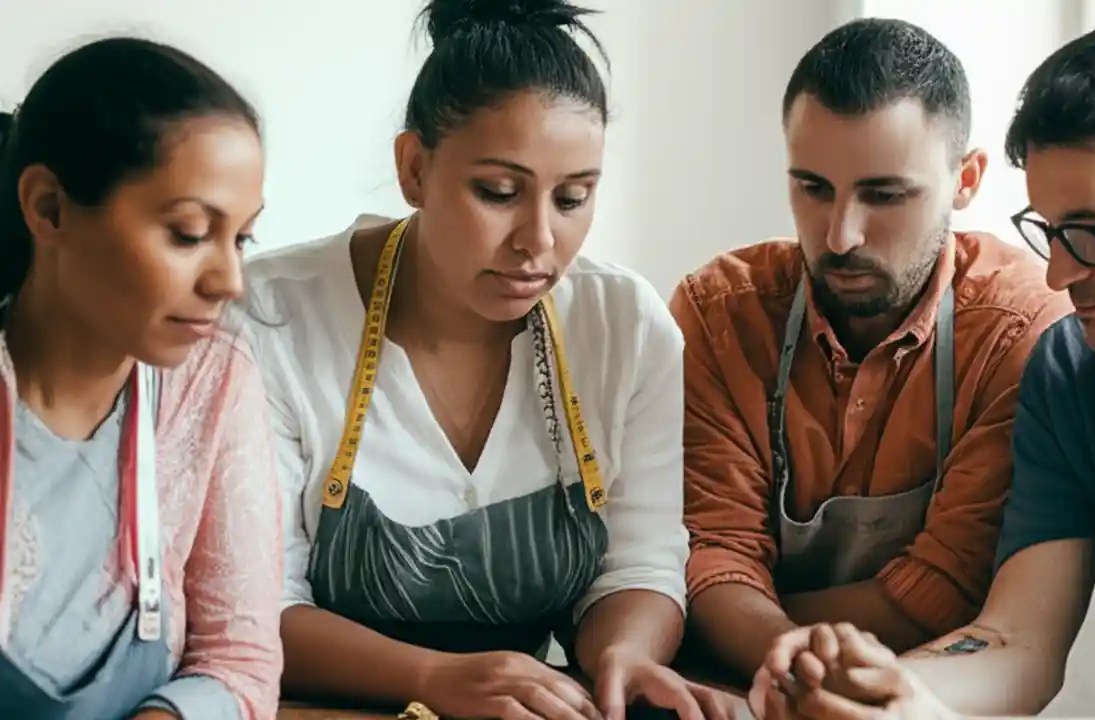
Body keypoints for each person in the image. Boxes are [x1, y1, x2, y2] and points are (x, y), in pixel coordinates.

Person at [751, 10, 1095, 720]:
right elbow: (1016, 643)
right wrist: (883, 689)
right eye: (1049, 232)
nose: (1059, 274)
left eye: (1091, 234)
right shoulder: (1074, 369)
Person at [241, 1, 730, 719]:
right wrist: (433, 678)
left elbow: (639, 563)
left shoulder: (625, 325)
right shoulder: (269, 318)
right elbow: (254, 606)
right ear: (414, 169)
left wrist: (625, 656)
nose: (539, 240)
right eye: (499, 193)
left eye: (573, 198)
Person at [673, 16, 1072, 686]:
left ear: (967, 178)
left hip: (924, 696)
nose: (841, 236)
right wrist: (792, 665)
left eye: (884, 195)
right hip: (731, 689)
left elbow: (943, 590)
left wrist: (780, 650)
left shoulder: (1022, 332)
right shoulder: (719, 315)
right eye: (813, 188)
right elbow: (714, 554)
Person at [0, 37, 281, 720]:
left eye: (241, 238)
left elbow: (239, 659)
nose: (230, 281)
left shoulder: (215, 383)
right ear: (50, 208)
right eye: (188, 233)